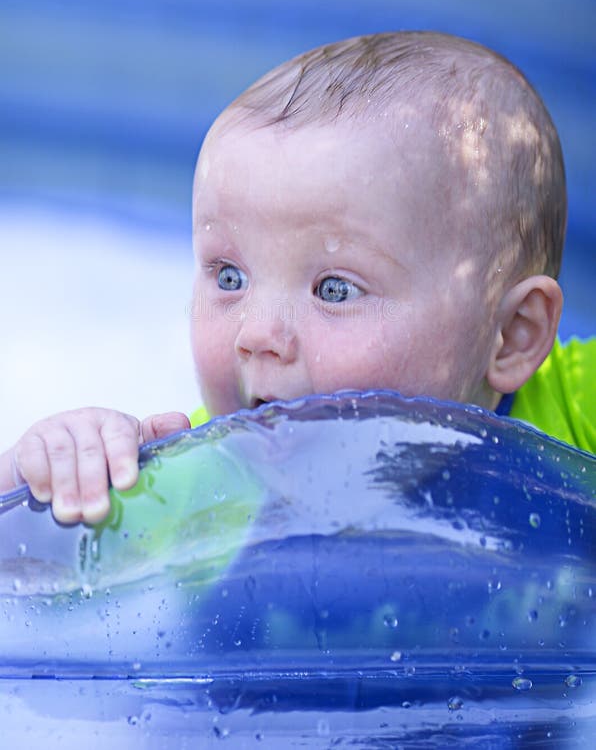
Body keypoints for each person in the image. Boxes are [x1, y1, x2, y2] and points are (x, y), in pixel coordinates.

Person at [1, 32, 594, 525]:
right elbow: (29, 567)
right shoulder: (203, 481)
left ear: (512, 334)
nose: (256, 334)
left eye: (333, 289)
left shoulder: (575, 414)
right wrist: (52, 469)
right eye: (229, 277)